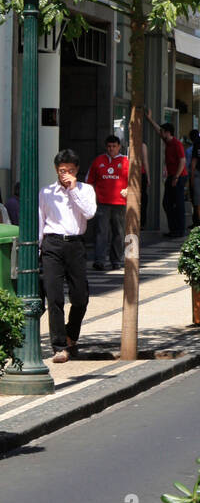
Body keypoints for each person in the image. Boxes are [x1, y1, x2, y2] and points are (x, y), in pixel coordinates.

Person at [39, 149, 97, 363]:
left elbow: (89, 213)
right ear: (56, 170)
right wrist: (38, 249)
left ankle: (71, 334)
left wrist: (73, 190)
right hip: (52, 244)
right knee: (54, 298)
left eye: (70, 170)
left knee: (80, 297)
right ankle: (59, 346)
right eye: (62, 170)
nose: (66, 174)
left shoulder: (86, 190)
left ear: (77, 170)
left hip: (75, 244)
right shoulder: (46, 193)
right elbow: (40, 221)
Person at [86, 134, 129, 271]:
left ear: (119, 147)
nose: (111, 149)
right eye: (109, 146)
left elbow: (135, 181)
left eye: (114, 146)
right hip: (102, 202)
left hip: (120, 203)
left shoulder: (126, 161)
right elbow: (90, 181)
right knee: (101, 232)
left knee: (119, 233)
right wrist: (93, 197)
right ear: (106, 147)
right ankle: (99, 260)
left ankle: (116, 260)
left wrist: (128, 190)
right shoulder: (99, 161)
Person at [157, 120, 188, 238]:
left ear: (168, 132)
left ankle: (179, 230)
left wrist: (176, 177)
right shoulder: (167, 141)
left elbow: (182, 161)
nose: (160, 133)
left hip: (179, 176)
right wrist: (149, 119)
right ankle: (173, 228)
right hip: (172, 176)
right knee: (167, 203)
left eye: (162, 131)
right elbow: (157, 130)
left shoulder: (176, 144)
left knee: (178, 203)